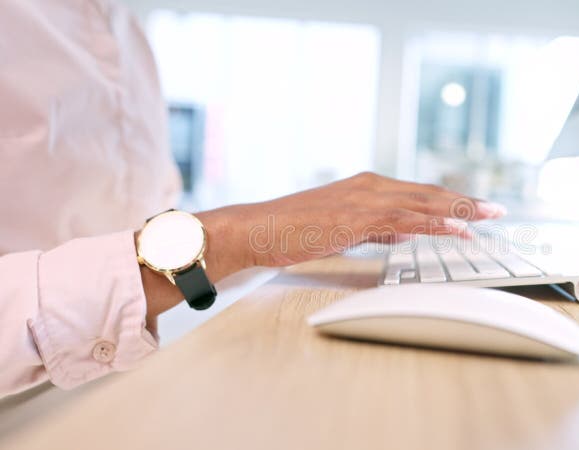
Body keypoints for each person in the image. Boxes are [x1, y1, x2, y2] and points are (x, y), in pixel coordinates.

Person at [0, 0, 506, 398]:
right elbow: (173, 250)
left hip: (127, 373)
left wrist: (306, 231)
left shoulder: (122, 28)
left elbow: (142, 225)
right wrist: (236, 235)